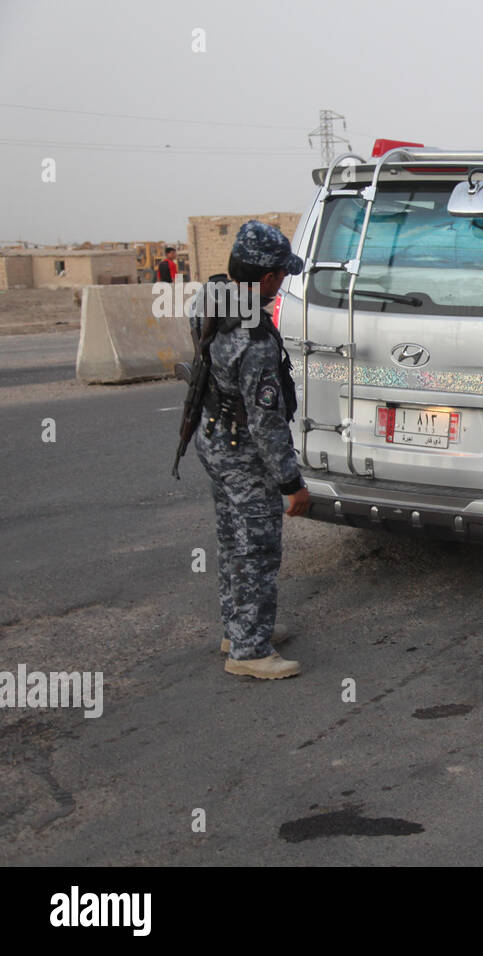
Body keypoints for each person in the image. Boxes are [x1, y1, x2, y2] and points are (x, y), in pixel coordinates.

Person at [187, 221, 310, 678]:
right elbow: (266, 420)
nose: (283, 282)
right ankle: (250, 652)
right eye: (281, 274)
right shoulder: (255, 338)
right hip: (243, 453)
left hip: (213, 440)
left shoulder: (211, 299)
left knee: (231, 540)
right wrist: (291, 483)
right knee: (256, 549)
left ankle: (238, 628)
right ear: (267, 281)